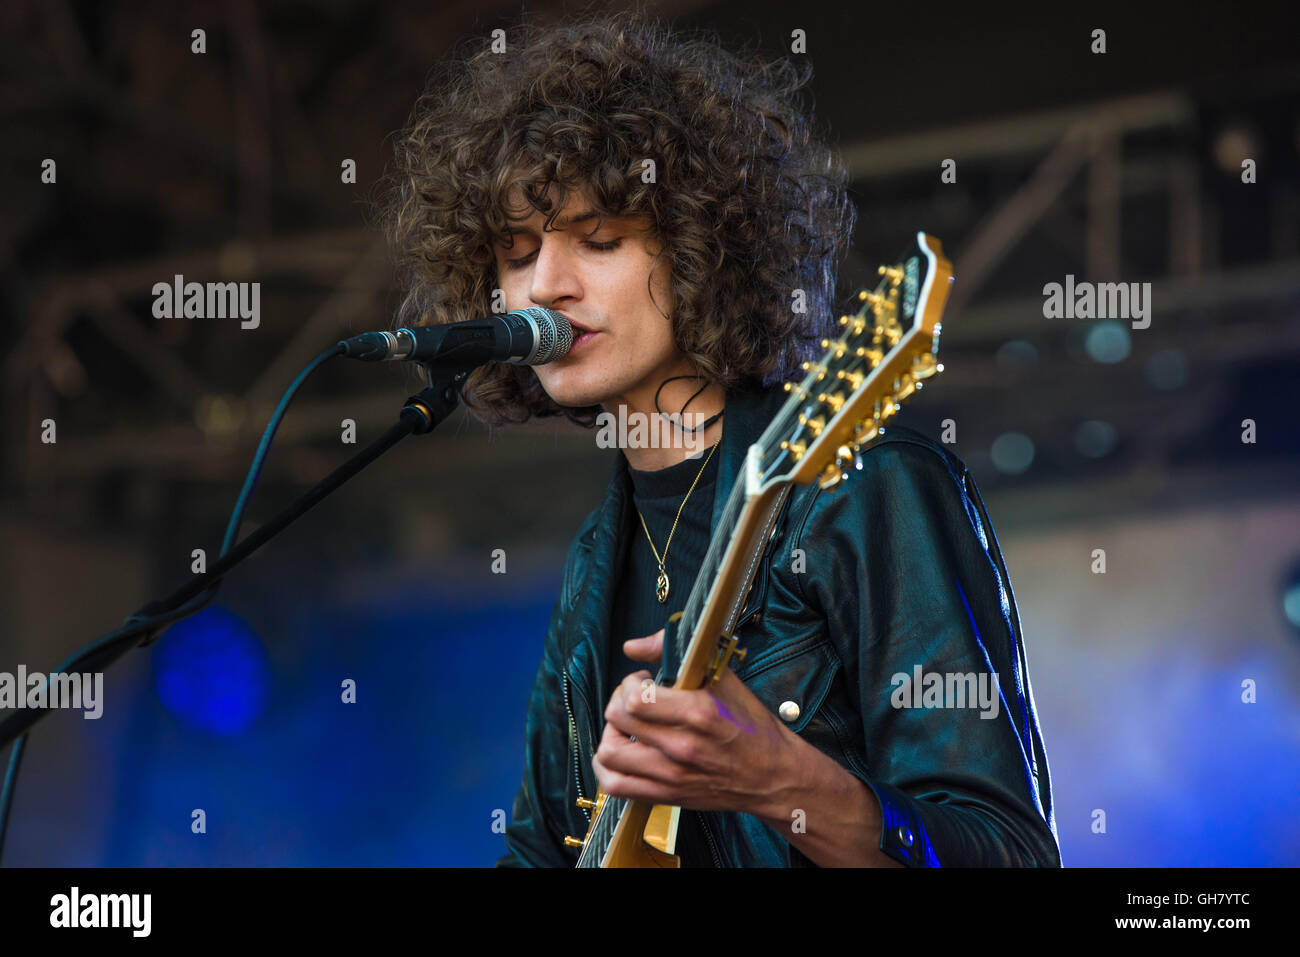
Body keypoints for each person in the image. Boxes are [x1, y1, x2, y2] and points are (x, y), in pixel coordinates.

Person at [380, 10, 1060, 867]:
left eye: (598, 240)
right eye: (515, 256)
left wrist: (782, 782)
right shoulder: (598, 557)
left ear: (706, 246)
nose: (544, 286)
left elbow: (1011, 853)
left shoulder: (867, 488)